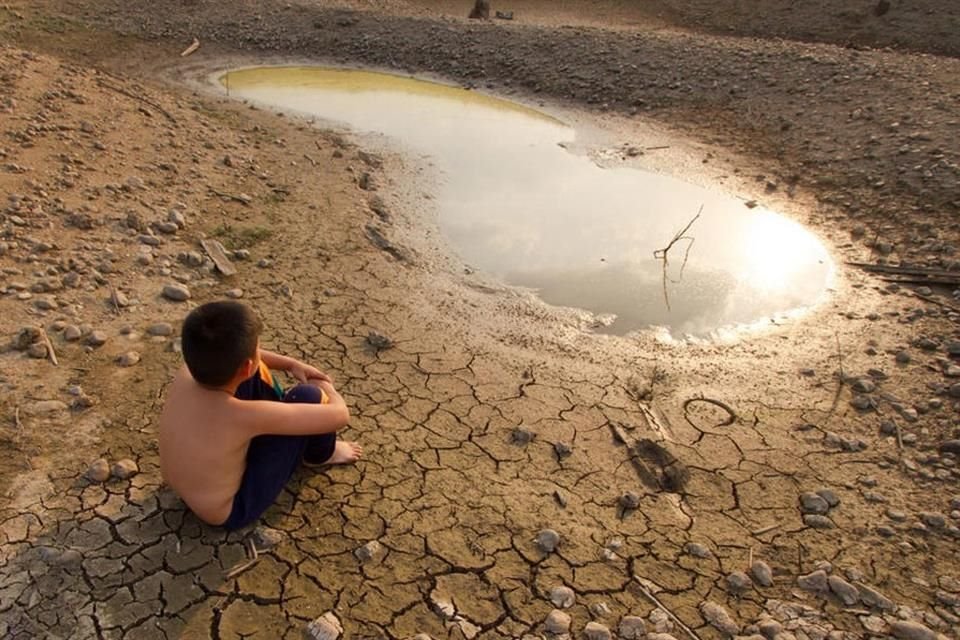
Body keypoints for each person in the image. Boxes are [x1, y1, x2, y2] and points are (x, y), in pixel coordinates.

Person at [159, 300, 361, 529]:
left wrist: (291, 364)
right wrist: (326, 387)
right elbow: (339, 415)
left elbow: (247, 359)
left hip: (185, 488)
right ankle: (322, 454)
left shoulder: (187, 372)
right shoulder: (244, 416)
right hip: (230, 510)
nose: (259, 351)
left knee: (248, 372)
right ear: (246, 365)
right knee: (309, 395)